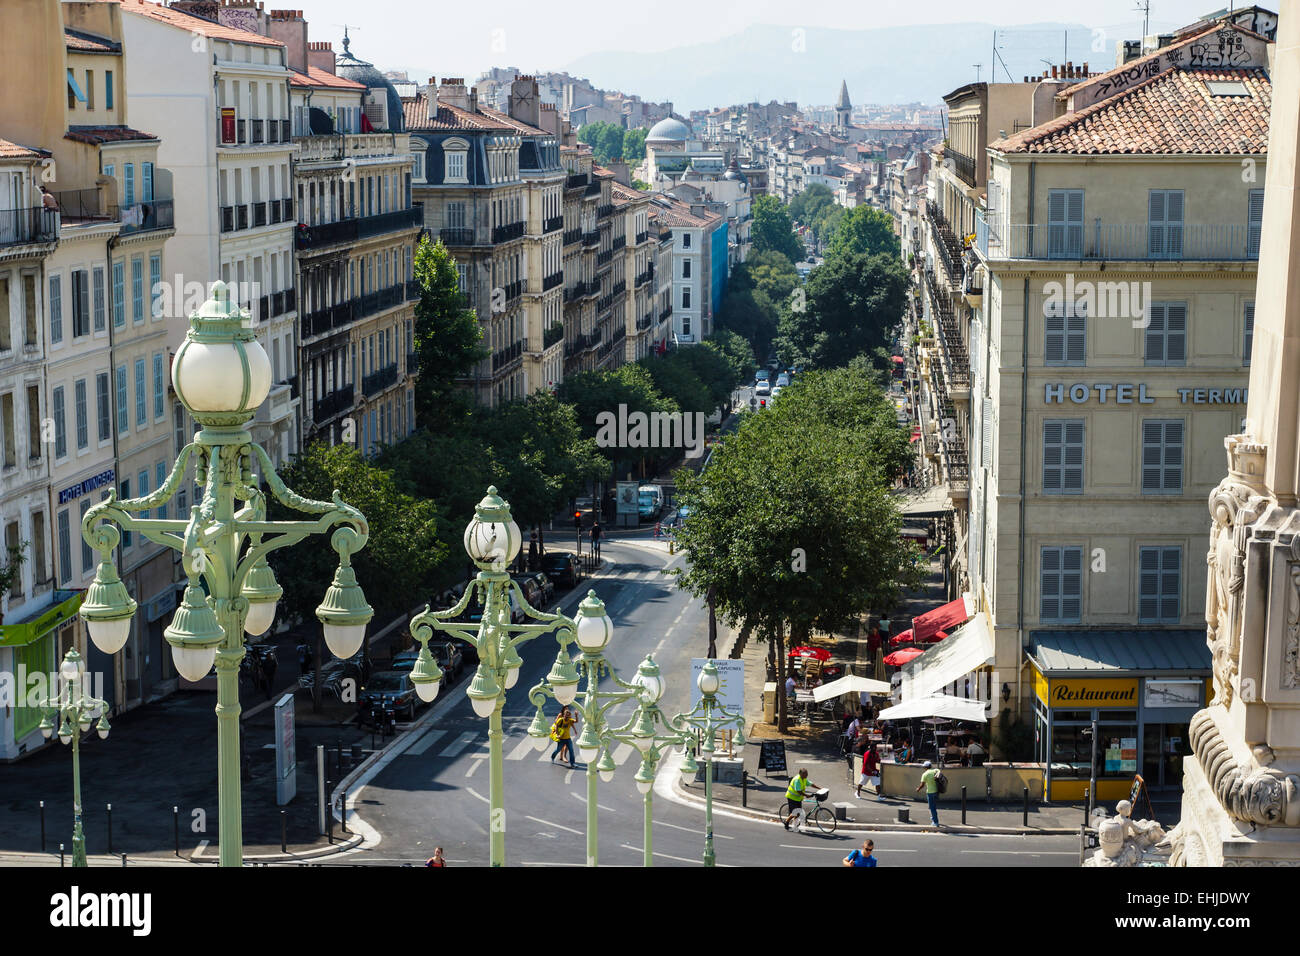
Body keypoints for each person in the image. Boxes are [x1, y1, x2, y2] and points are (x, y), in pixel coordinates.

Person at [915, 760, 942, 827]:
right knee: (934, 806)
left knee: (932, 808)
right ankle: (933, 818)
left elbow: (922, 785)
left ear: (925, 767)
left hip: (930, 792)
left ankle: (935, 822)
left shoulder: (925, 774)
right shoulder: (935, 771)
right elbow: (939, 771)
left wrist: (918, 789)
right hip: (936, 791)